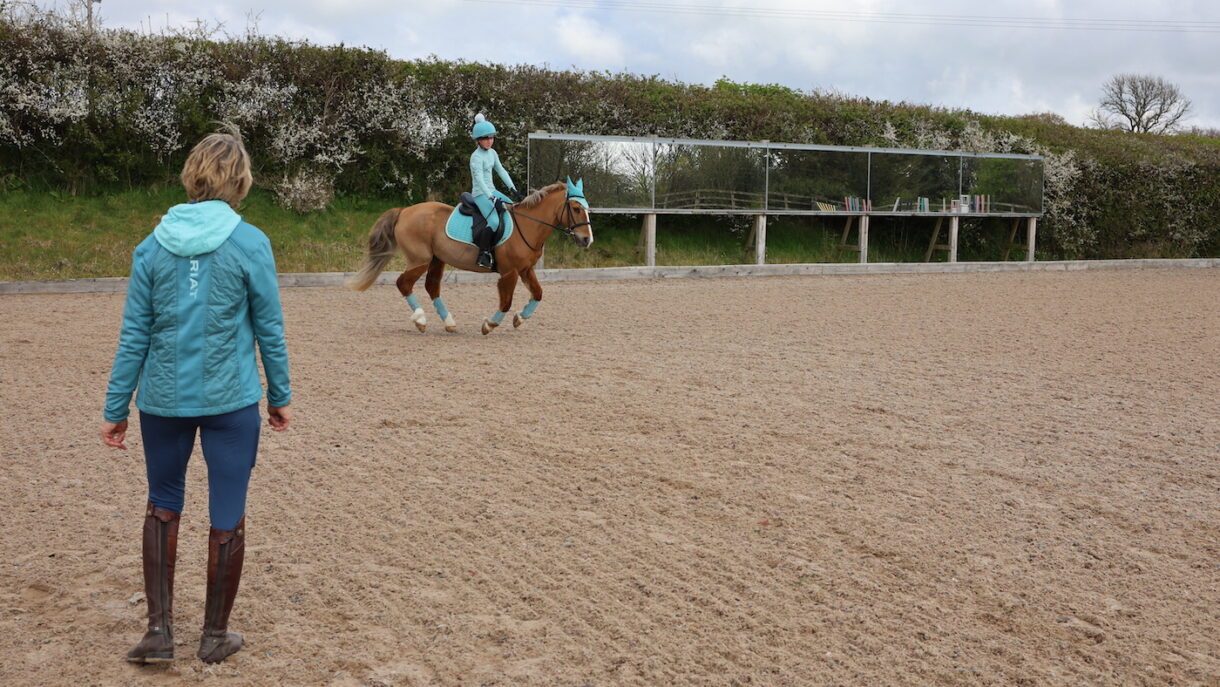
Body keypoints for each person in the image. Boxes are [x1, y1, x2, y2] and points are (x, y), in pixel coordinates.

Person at [100, 130, 292, 665]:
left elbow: (134, 334)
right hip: (232, 402)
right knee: (227, 510)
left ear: (191, 175)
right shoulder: (251, 242)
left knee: (163, 504)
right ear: (241, 181)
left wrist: (116, 409)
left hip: (162, 403)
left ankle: (159, 633)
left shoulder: (151, 245)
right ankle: (213, 636)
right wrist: (280, 395)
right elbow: (269, 329)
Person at [468, 113, 523, 269]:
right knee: (493, 221)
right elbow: (479, 180)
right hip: (480, 194)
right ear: (478, 140)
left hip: (492, 190)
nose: (489, 141)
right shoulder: (476, 157)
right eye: (486, 138)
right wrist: (492, 198)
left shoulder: (492, 153)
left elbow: (501, 171)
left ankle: (507, 249)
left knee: (513, 208)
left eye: (491, 137)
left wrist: (514, 190)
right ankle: (483, 254)